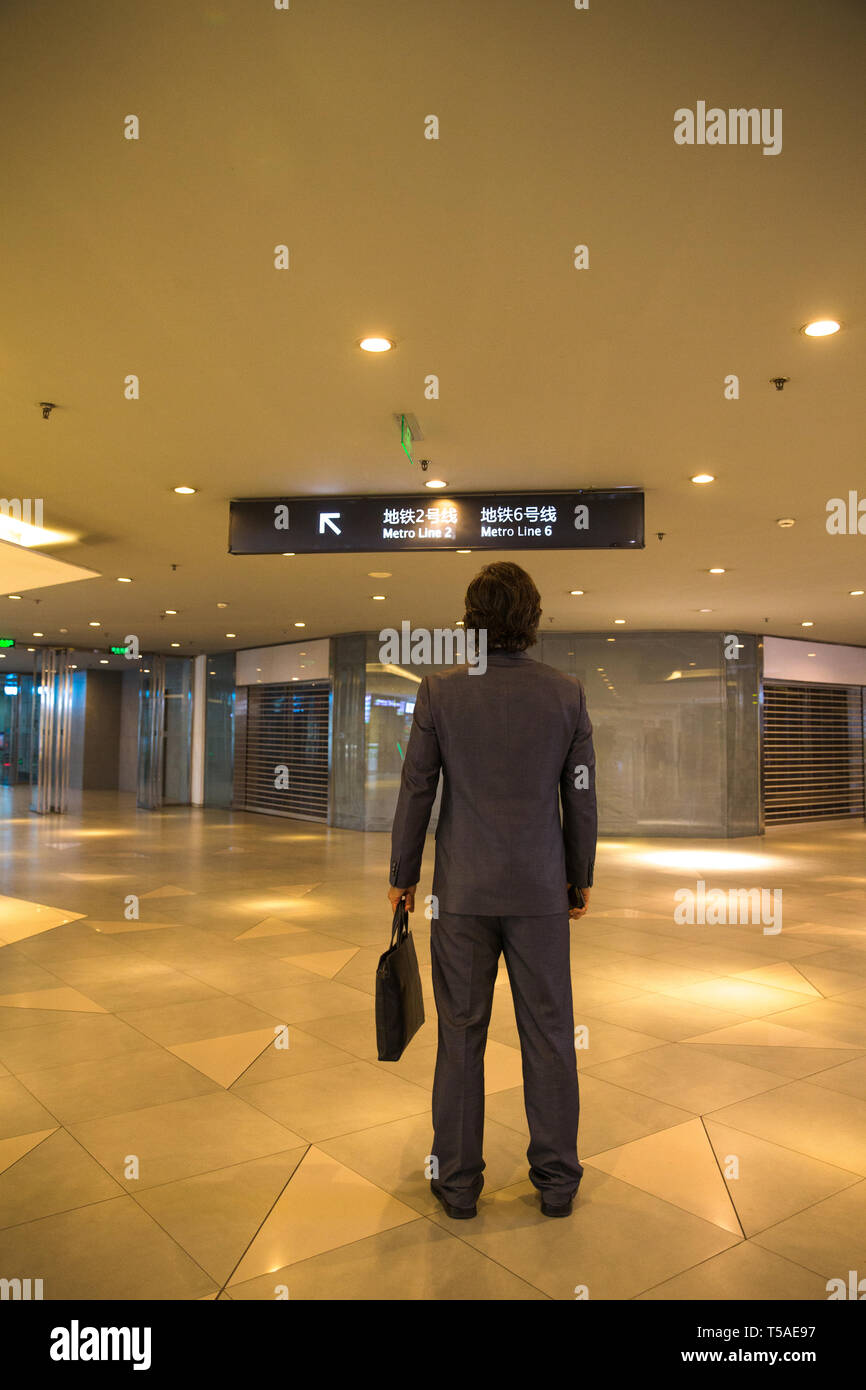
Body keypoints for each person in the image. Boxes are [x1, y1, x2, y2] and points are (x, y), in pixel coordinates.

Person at [387, 561, 597, 1219]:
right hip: (540, 892)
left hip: (463, 894)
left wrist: (403, 877)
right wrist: (579, 875)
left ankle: (457, 1184)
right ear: (532, 620)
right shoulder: (566, 693)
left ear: (472, 622)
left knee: (461, 1033)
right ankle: (557, 1184)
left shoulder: (441, 692)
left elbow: (418, 788)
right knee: (550, 1034)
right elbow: (582, 796)